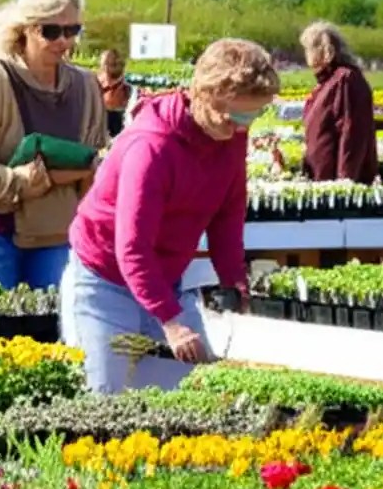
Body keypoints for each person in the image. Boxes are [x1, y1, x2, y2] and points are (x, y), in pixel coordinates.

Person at [60, 38, 280, 393]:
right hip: (104, 282)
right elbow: (131, 249)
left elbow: (227, 213)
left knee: (194, 397)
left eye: (253, 115)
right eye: (238, 115)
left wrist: (234, 281)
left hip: (166, 279)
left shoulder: (230, 135)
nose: (243, 127)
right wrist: (171, 321)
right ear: (206, 94)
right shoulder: (151, 147)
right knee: (104, 400)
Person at [0, 0, 106, 290]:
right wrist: (21, 182)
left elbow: (94, 158)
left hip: (54, 231)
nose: (64, 41)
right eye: (51, 31)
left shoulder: (86, 87)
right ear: (26, 30)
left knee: (55, 330)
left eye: (73, 30)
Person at [300, 21, 378, 185]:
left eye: (308, 48)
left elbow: (351, 132)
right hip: (320, 176)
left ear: (324, 50)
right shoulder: (326, 82)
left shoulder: (345, 79)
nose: (306, 54)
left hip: (333, 179)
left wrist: (345, 180)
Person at [97, 49, 138, 140]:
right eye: (106, 64)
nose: (107, 68)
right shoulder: (92, 85)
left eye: (113, 64)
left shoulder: (130, 89)